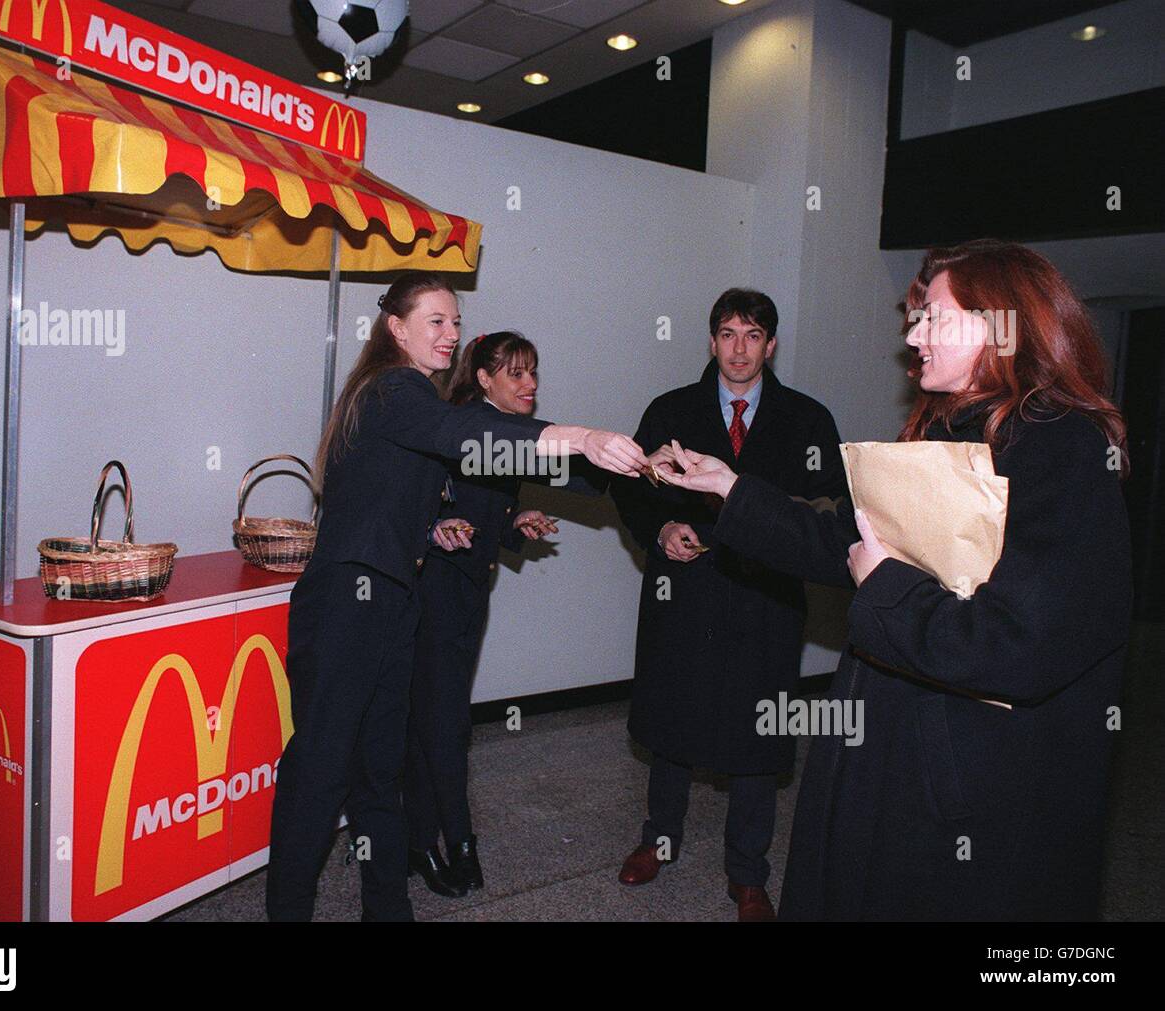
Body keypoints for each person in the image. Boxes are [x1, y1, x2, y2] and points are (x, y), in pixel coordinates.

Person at [654, 239, 1132, 920]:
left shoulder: (1064, 450)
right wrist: (732, 489)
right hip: (898, 765)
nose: (914, 335)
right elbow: (846, 541)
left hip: (967, 794)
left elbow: (1020, 643)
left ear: (1004, 325)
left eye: (934, 317)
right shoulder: (946, 434)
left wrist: (883, 588)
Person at [265, 272, 648, 922]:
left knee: (380, 776)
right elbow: (473, 439)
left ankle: (389, 909)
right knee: (321, 770)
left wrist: (432, 524)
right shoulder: (394, 388)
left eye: (455, 322)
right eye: (435, 320)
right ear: (396, 328)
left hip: (392, 602)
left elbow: (458, 463)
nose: (450, 334)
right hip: (346, 608)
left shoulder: (413, 401)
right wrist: (583, 438)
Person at [609, 288, 847, 921]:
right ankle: (659, 840)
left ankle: (747, 874)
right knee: (671, 718)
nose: (738, 348)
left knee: (759, 730)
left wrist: (776, 527)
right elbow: (631, 488)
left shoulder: (808, 421)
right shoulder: (671, 410)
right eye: (727, 334)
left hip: (765, 596)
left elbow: (832, 508)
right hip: (682, 589)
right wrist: (658, 531)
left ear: (771, 345)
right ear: (711, 341)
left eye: (752, 336)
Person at [404, 331, 607, 897]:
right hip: (434, 593)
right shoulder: (464, 422)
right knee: (446, 723)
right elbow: (420, 497)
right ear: (484, 378)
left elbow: (489, 498)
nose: (531, 384)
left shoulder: (497, 426)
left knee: (432, 721)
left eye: (534, 372)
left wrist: (516, 520)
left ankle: (417, 840)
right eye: (516, 373)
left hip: (468, 592)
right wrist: (432, 526)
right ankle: (460, 842)